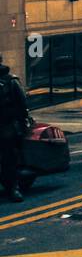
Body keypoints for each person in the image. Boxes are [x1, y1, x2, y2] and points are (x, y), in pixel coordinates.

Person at [0, 60, 30, 203]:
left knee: (9, 159)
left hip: (6, 126)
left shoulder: (11, 81)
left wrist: (22, 123)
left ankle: (13, 188)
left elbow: (22, 104)